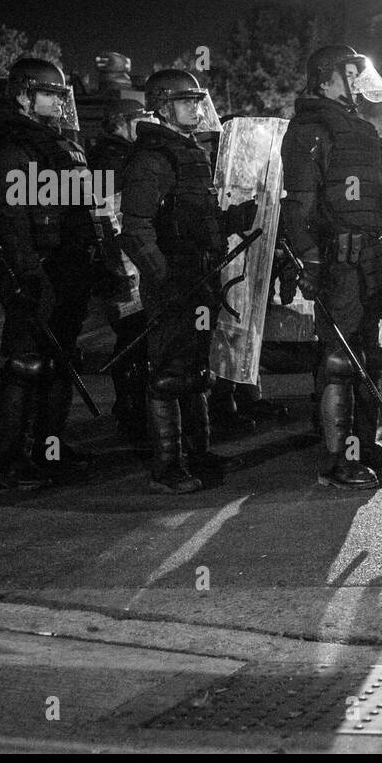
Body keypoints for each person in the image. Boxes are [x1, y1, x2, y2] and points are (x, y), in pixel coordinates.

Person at [280, 45, 382, 489]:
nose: (356, 80)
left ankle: (365, 447)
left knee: (370, 357)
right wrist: (310, 261)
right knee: (339, 359)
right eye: (348, 72)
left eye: (359, 72)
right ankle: (339, 461)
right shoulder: (309, 129)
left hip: (372, 256)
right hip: (336, 261)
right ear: (324, 78)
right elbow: (297, 206)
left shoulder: (365, 131)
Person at [120, 69, 251, 493]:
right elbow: (135, 228)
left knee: (196, 368)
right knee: (168, 373)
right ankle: (167, 465)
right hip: (175, 282)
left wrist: (233, 220)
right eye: (187, 101)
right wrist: (164, 279)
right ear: (163, 107)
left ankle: (197, 453)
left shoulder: (189, 151)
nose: (197, 108)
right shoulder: (155, 156)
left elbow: (195, 220)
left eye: (198, 101)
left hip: (200, 277)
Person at [0, 58, 99, 489]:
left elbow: (78, 209)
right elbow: (12, 219)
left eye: (59, 94)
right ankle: (5, 460)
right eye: (49, 93)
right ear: (23, 96)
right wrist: (28, 274)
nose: (58, 101)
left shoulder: (57, 143)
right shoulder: (14, 146)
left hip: (67, 266)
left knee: (58, 362)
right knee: (25, 364)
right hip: (36, 269)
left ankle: (48, 452)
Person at [87, 98, 150, 442]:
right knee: (133, 338)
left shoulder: (111, 156)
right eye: (140, 120)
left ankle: (131, 409)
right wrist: (123, 267)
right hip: (125, 265)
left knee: (134, 337)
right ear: (123, 122)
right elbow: (110, 218)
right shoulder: (113, 160)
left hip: (124, 262)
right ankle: (132, 412)